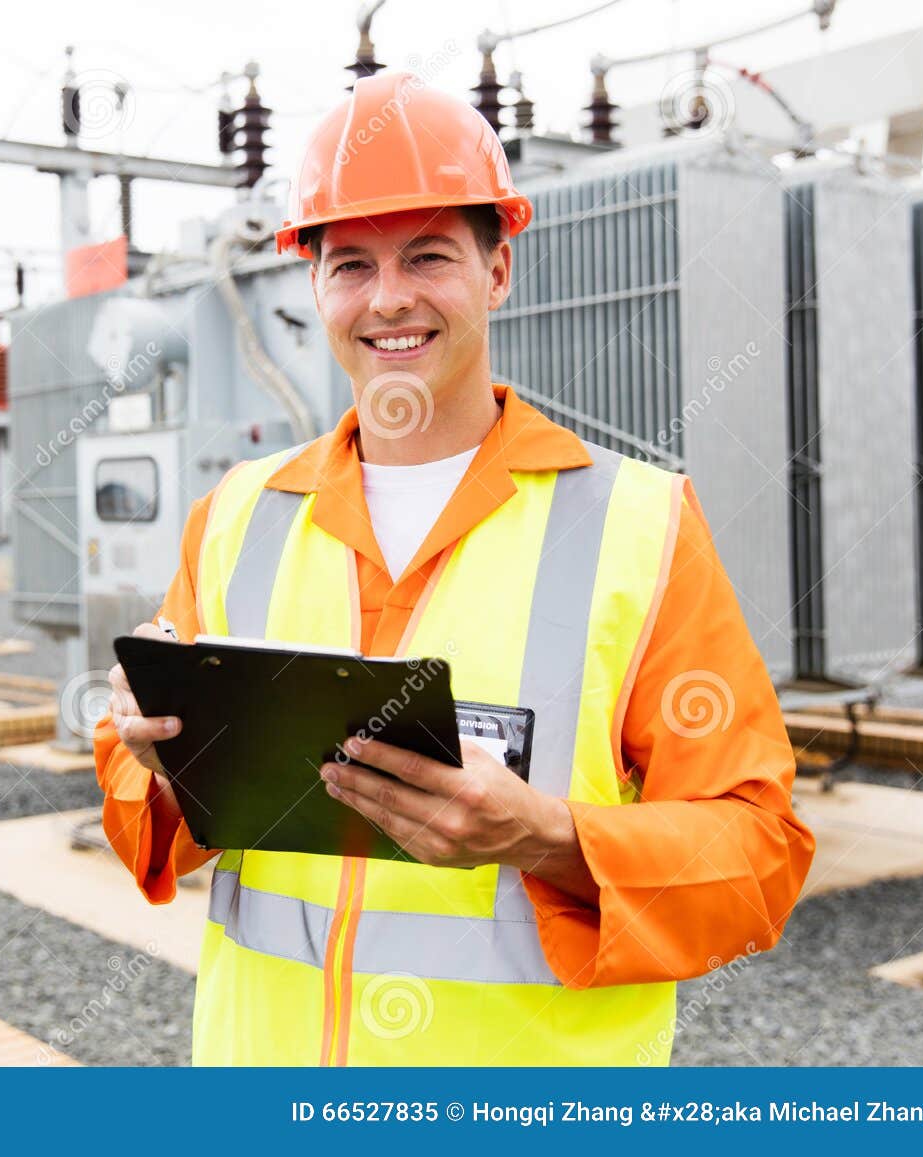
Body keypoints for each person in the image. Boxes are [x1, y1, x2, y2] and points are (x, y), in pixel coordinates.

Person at [94, 71, 814, 1066]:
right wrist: (157, 756)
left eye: (427, 255)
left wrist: (545, 836)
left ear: (497, 270)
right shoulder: (235, 518)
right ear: (314, 287)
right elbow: (152, 821)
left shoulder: (639, 526)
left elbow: (757, 856)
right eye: (351, 265)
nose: (388, 298)